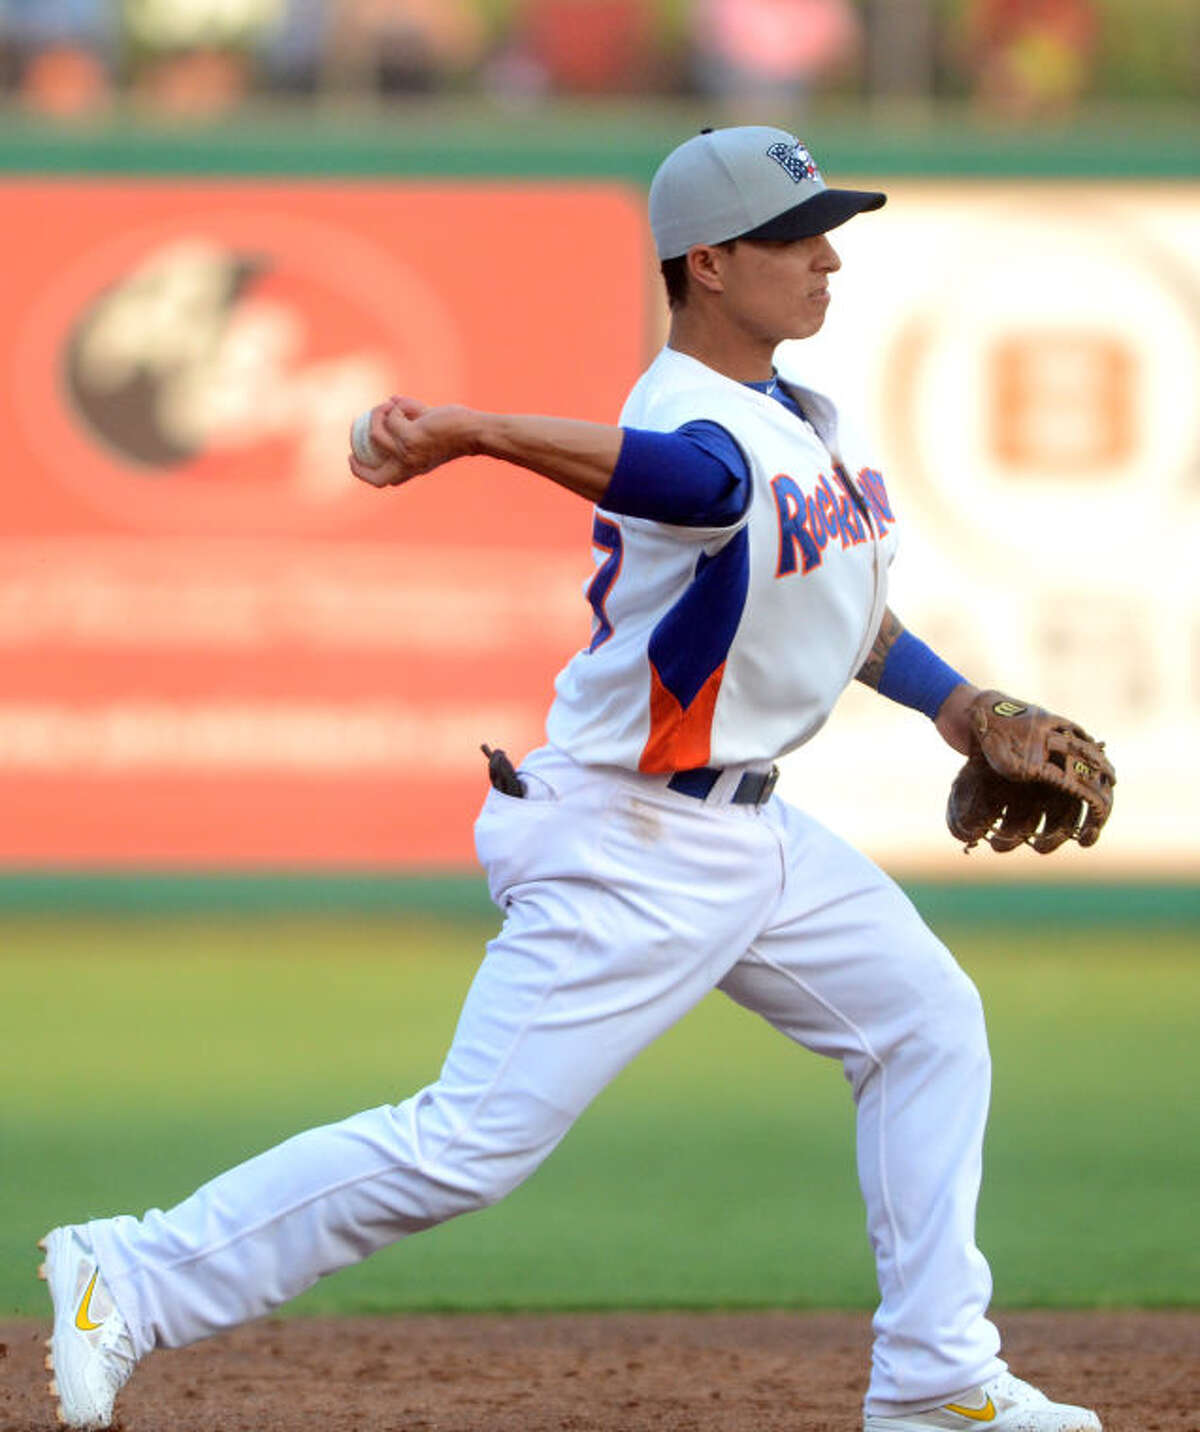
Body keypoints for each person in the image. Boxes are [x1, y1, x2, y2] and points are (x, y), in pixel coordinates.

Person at [39, 125, 1109, 1432]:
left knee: (927, 1024)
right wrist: (479, 430)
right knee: (465, 1148)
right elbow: (682, 483)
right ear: (709, 264)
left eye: (830, 227)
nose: (829, 255)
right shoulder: (692, 422)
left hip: (752, 832)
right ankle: (128, 1274)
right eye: (796, 236)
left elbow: (841, 611)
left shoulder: (792, 422)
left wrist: (962, 707)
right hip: (632, 844)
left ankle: (939, 1381)